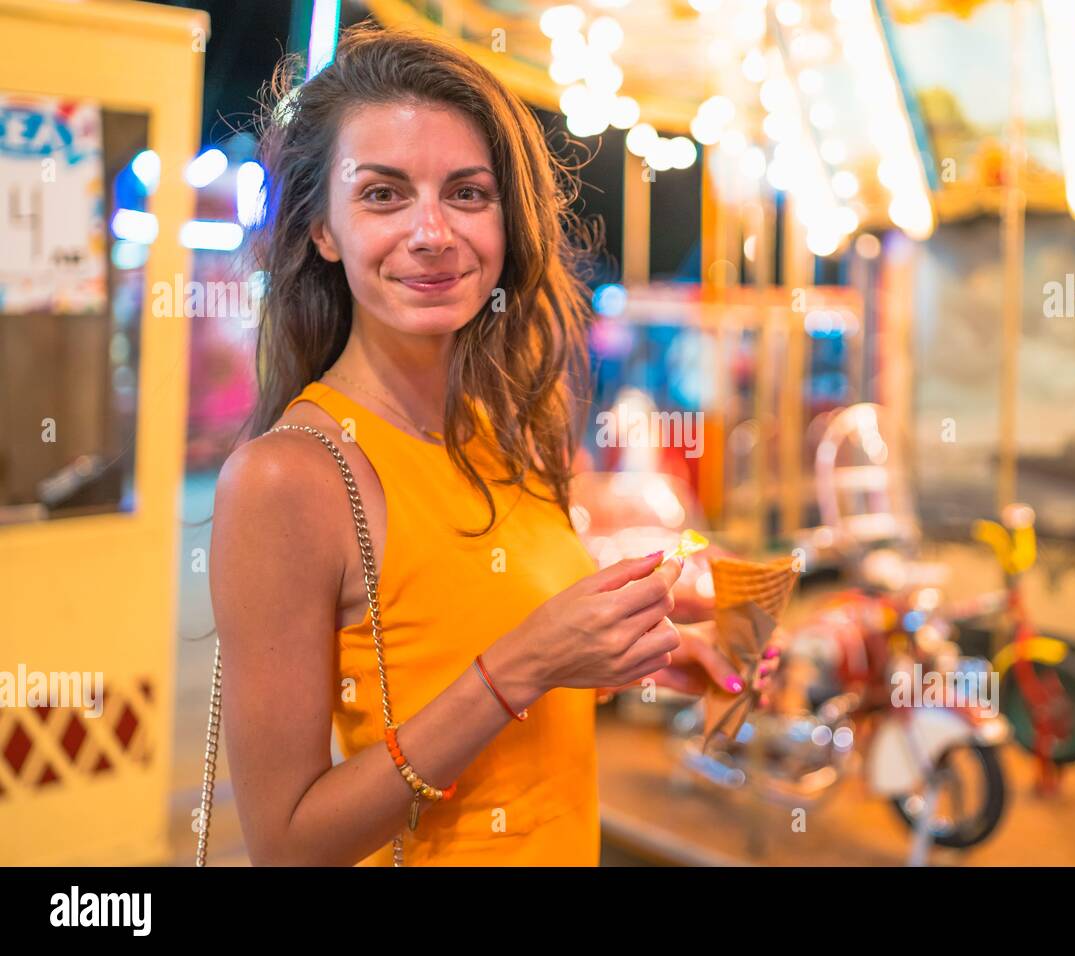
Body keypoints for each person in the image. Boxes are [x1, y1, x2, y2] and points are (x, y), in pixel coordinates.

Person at [209, 23, 777, 866]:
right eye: (382, 195)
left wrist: (638, 659)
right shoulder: (289, 478)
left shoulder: (513, 427)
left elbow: (493, 654)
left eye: (468, 194)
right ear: (322, 228)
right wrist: (522, 667)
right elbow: (291, 845)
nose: (432, 232)